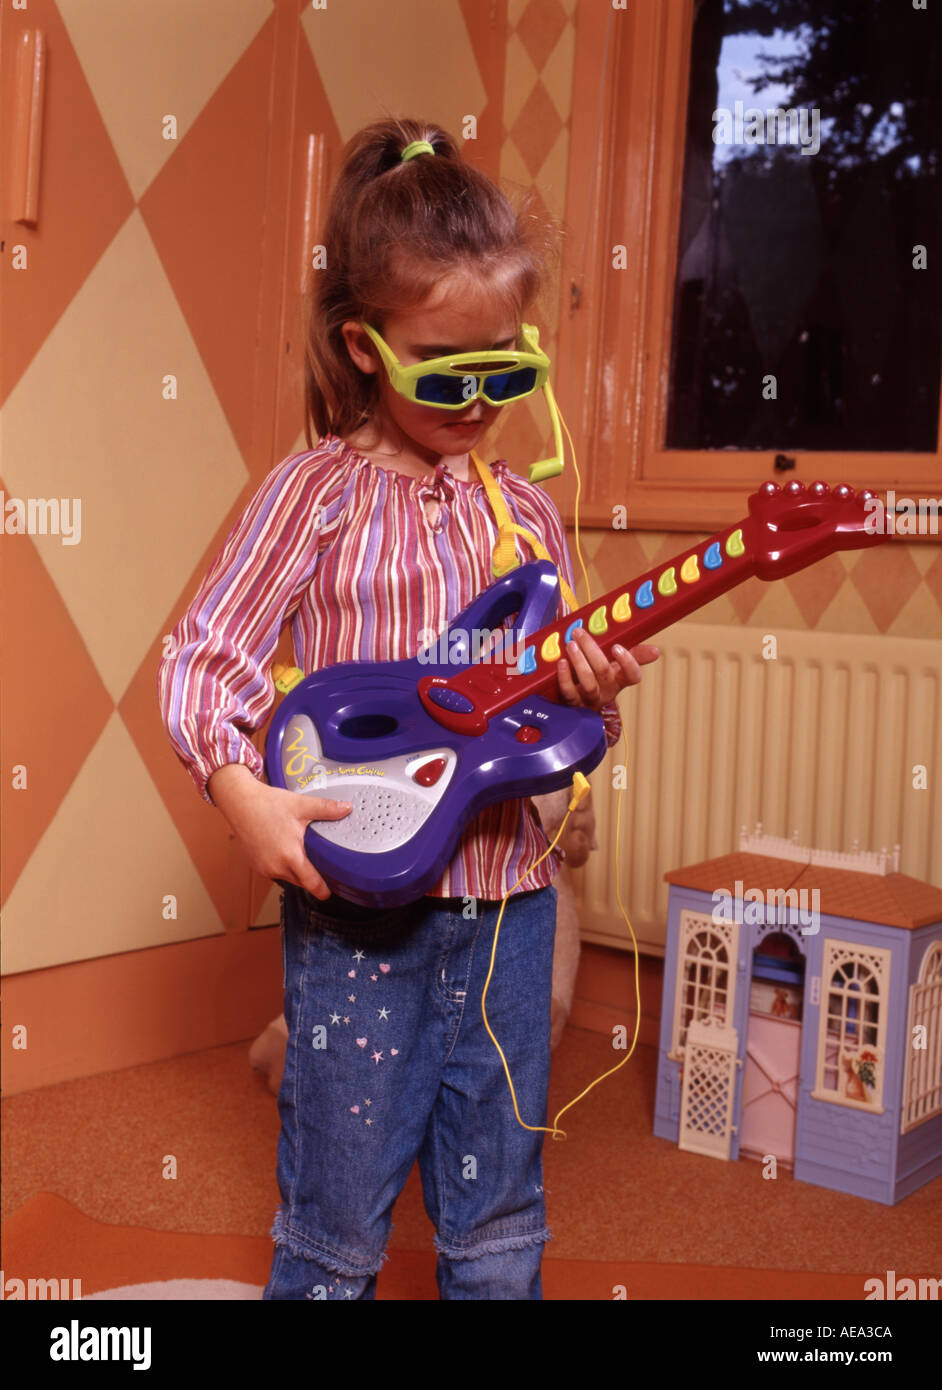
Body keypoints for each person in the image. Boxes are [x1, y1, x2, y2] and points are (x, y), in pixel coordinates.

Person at [157, 117, 658, 1301]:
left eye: (510, 368)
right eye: (448, 369)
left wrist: (589, 695)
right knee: (335, 1216)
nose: (482, 399)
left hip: (509, 910)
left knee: (497, 1219)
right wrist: (244, 800)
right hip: (357, 920)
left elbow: (551, 729)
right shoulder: (314, 493)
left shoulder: (527, 520)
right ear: (365, 346)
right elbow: (197, 658)